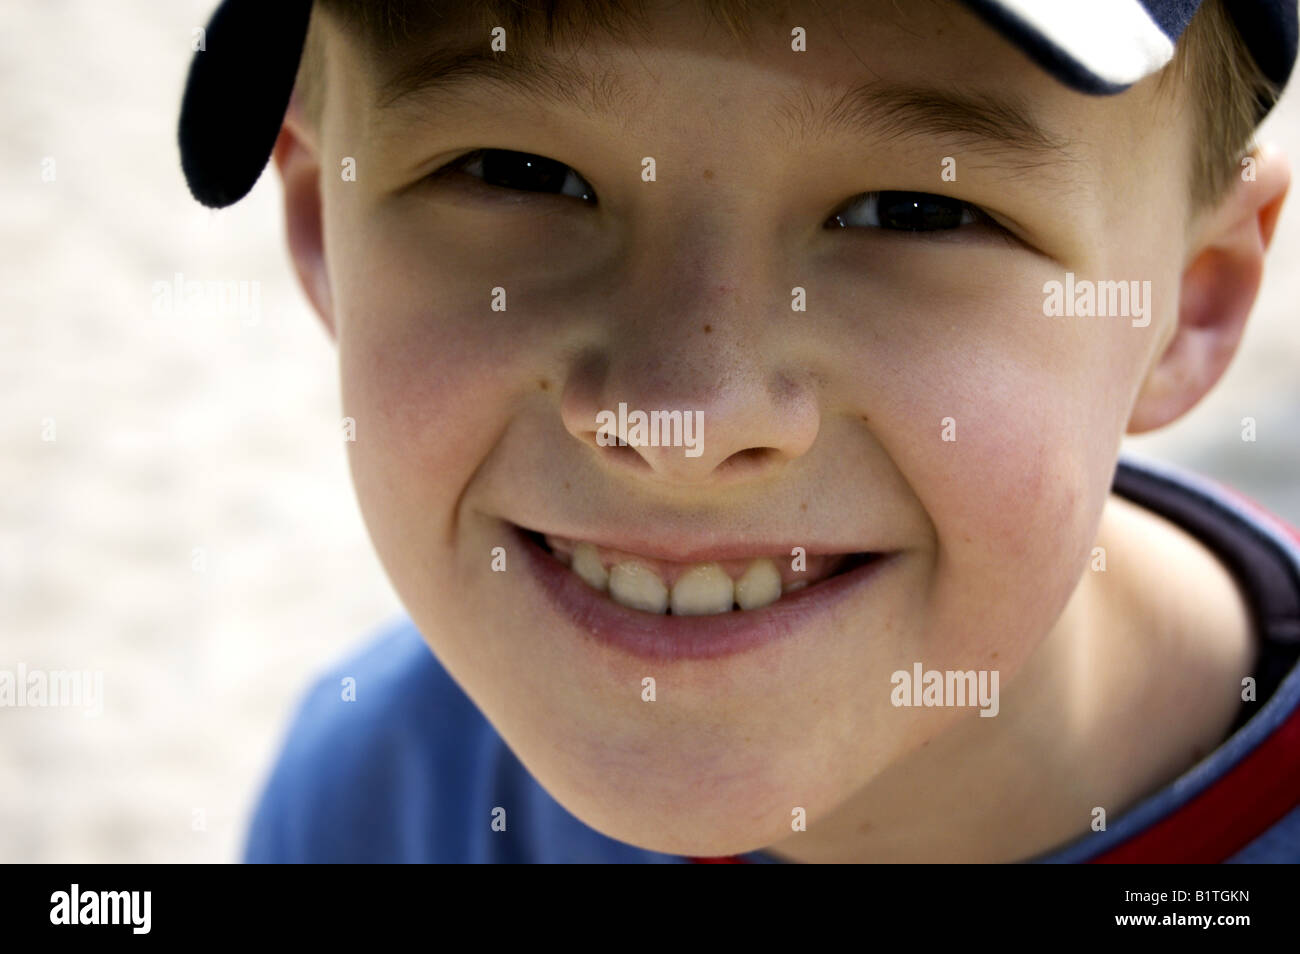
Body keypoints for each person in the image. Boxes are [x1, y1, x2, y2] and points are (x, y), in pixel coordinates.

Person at [177, 0, 1300, 862]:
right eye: (520, 174)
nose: (682, 420)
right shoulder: (380, 796)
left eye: (916, 212)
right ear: (324, 226)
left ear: (1188, 304)